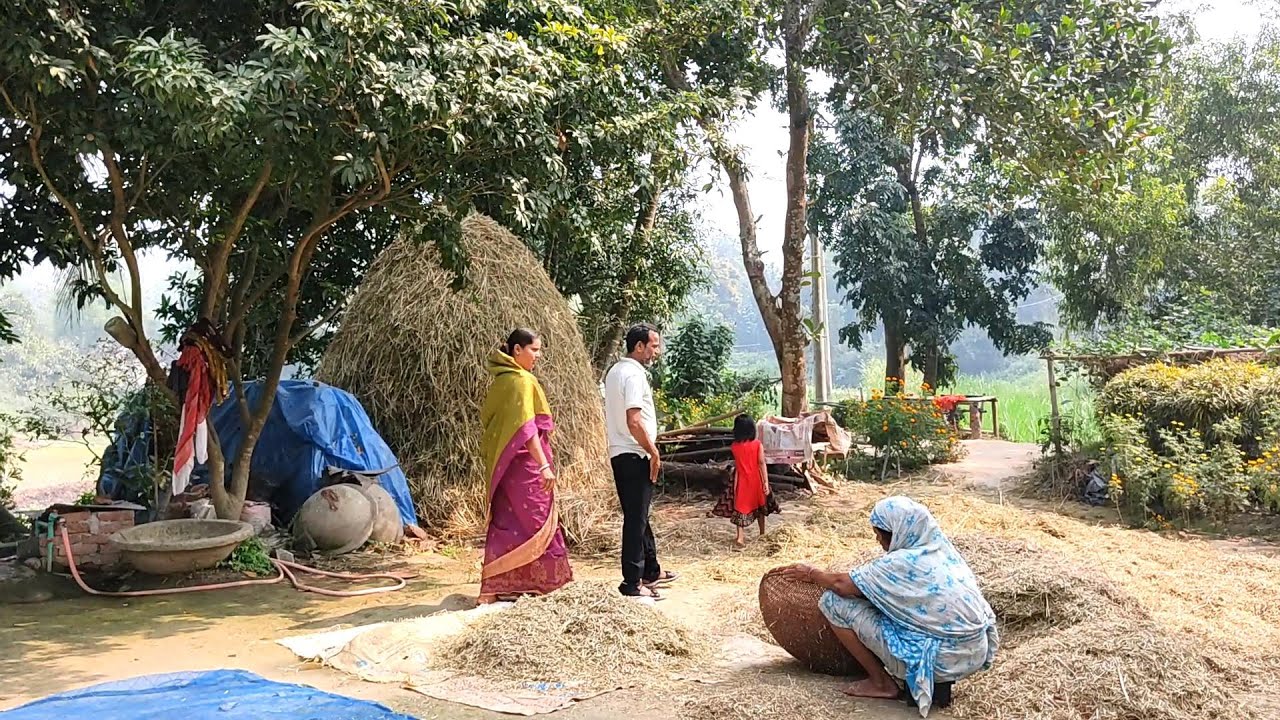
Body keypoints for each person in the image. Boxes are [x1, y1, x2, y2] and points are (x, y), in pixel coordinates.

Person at [779, 496, 997, 717]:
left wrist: (810, 573)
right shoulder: (942, 552)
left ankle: (881, 683)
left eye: (878, 534)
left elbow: (841, 585)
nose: (878, 540)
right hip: (974, 653)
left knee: (833, 602)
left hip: (940, 661)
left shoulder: (899, 563)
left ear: (897, 532)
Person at [477, 328, 573, 604]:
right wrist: (544, 466)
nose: (538, 356)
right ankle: (550, 583)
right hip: (526, 467)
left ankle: (499, 585)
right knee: (540, 521)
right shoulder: (520, 381)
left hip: (506, 468)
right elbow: (527, 430)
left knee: (506, 522)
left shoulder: (501, 381)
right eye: (534, 350)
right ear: (517, 350)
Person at [603, 323, 678, 598]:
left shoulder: (615, 372)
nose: (656, 352)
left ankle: (650, 570)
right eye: (654, 345)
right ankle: (632, 582)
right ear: (639, 346)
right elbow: (634, 420)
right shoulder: (633, 375)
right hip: (635, 452)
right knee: (636, 519)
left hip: (621, 451)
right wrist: (653, 450)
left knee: (639, 515)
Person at [712, 413, 780, 547]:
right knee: (761, 506)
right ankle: (762, 533)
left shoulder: (735, 447)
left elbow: (738, 465)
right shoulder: (757, 445)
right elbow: (761, 464)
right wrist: (765, 482)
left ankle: (740, 537)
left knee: (740, 507)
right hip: (756, 480)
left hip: (741, 480)